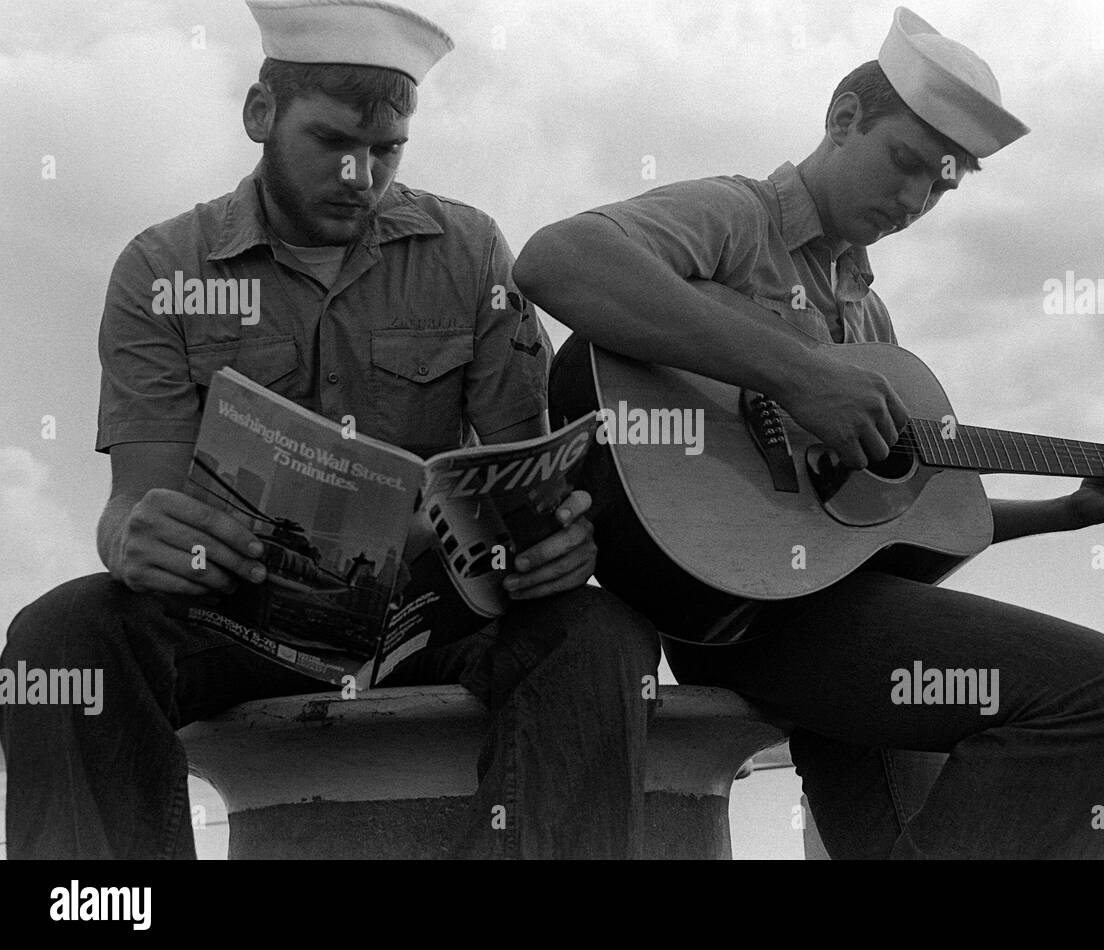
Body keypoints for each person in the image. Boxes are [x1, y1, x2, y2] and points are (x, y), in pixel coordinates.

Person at [0, 0, 660, 860]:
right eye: (334, 143)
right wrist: (133, 538)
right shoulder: (162, 270)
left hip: (438, 614)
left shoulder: (470, 251)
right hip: (238, 622)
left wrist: (552, 545)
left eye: (386, 151)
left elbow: (524, 473)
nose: (361, 176)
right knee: (61, 640)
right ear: (260, 114)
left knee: (601, 634)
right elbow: (135, 503)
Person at [515, 7, 1104, 858]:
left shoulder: (869, 318)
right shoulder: (734, 217)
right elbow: (557, 261)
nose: (913, 199)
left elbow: (885, 526)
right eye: (905, 162)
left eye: (939, 185)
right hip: (735, 610)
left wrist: (1066, 515)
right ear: (844, 117)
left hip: (831, 619)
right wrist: (794, 372)